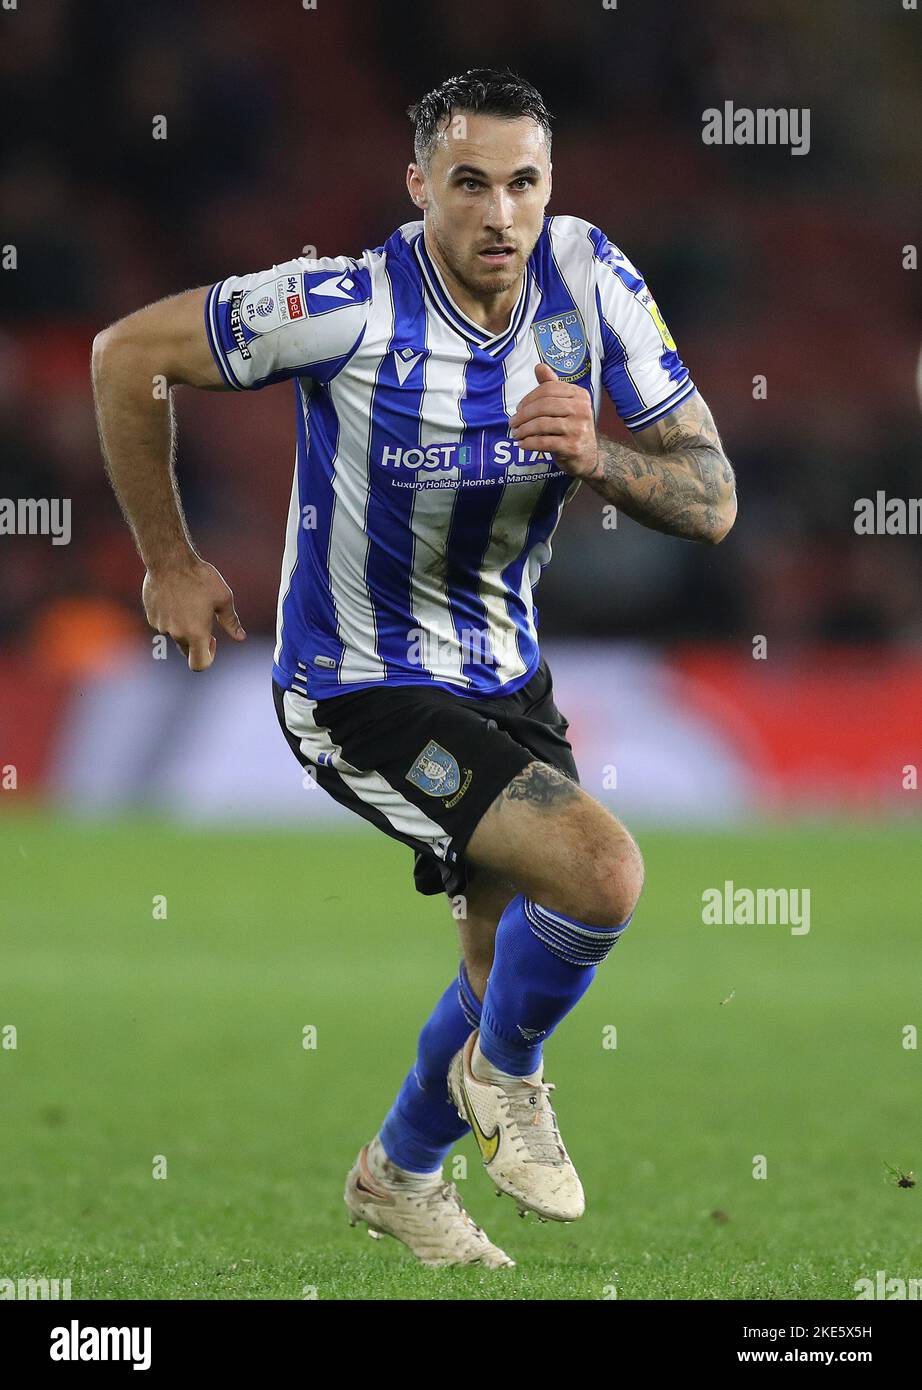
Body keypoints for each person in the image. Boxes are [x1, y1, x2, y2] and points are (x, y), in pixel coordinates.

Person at [92, 67, 737, 1270]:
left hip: (505, 672)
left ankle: (398, 1174)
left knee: (503, 954)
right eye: (470, 184)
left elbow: (710, 501)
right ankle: (514, 1078)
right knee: (600, 873)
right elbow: (128, 352)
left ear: (552, 187)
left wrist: (598, 456)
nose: (500, 214)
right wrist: (169, 563)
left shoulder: (588, 279)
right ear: (419, 188)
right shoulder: (344, 305)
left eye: (525, 184)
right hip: (358, 687)